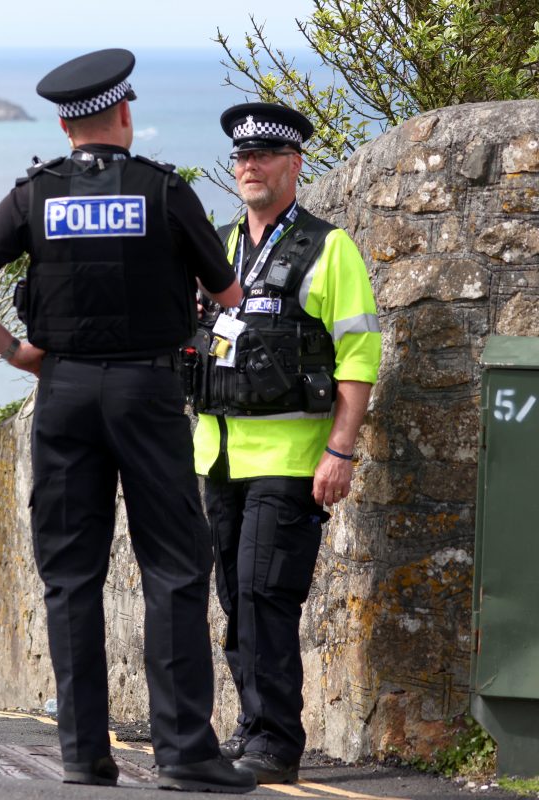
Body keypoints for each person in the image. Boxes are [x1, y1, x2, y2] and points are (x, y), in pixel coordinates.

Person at [0, 49, 253, 792]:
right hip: (147, 390)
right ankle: (183, 754)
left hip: (65, 392)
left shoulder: (35, 195)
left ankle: (84, 754)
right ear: (124, 114)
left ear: (63, 122)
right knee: (174, 568)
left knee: (70, 575)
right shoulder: (163, 191)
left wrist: (18, 352)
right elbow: (231, 292)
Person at [190, 103, 381, 784]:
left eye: (265, 156)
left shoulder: (329, 249)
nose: (250, 167)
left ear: (294, 164)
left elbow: (358, 354)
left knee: (266, 593)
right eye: (242, 158)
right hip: (218, 458)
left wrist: (340, 450)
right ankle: (252, 726)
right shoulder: (215, 250)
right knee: (236, 599)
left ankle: (275, 741)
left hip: (293, 460)